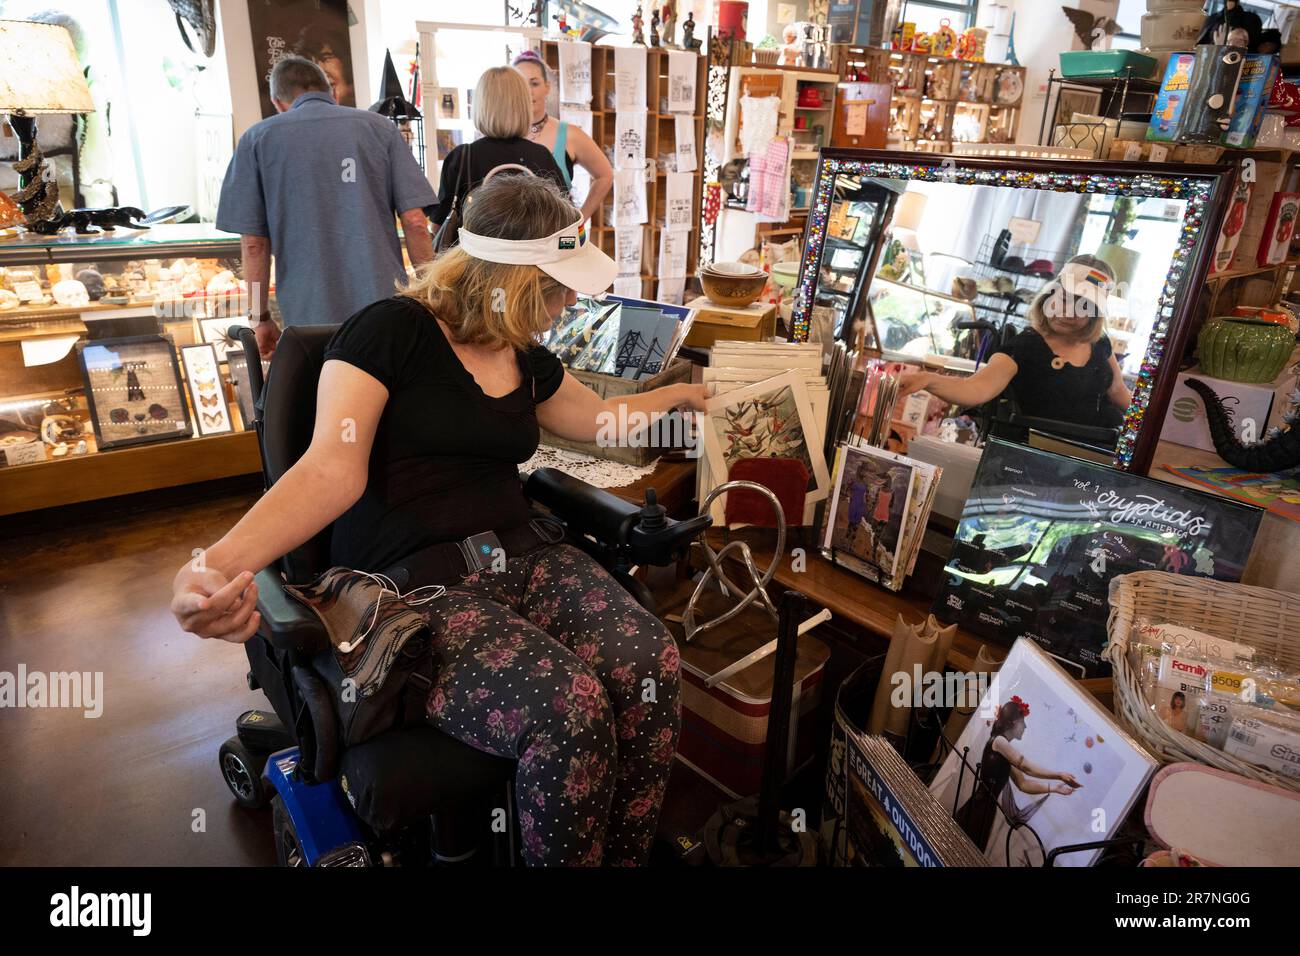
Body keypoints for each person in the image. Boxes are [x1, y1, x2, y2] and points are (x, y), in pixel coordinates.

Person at [171, 173, 709, 867]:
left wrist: (687, 395)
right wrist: (215, 563)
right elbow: (330, 470)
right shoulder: (388, 333)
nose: (570, 302)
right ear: (505, 279)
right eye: (555, 286)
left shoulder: (523, 354)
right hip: (419, 586)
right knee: (567, 708)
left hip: (525, 557)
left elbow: (599, 420)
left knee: (651, 661)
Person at [217, 56, 435, 356]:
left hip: (309, 320)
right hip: (385, 310)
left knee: (329, 399)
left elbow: (254, 245)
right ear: (331, 91)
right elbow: (415, 223)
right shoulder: (380, 129)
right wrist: (431, 295)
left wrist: (259, 318)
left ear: (277, 102)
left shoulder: (257, 140)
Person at [898, 255, 1133, 433]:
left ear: (1094, 314)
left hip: (1091, 458)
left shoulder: (1100, 344)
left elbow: (1117, 391)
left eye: (1082, 306)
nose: (1065, 312)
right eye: (1062, 299)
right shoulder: (1024, 347)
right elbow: (976, 389)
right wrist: (928, 379)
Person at [428, 67, 565, 229]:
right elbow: (564, 218)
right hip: (533, 252)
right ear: (523, 105)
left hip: (474, 252)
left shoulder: (463, 157)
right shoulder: (542, 156)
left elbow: (440, 223)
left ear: (481, 105)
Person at [955, 696, 1081, 852]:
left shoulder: (1004, 751)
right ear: (1014, 723)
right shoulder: (999, 741)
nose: (1025, 727)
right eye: (1023, 722)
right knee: (962, 850)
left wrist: (1054, 788)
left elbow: (1023, 784)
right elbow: (1025, 766)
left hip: (987, 809)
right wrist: (1059, 774)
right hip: (979, 807)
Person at [512, 50, 613, 223]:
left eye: (534, 83)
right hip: (509, 240)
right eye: (520, 84)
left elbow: (605, 175)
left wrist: (580, 219)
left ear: (547, 87)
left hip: (557, 238)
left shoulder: (569, 135)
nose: (528, 91)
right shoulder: (502, 134)